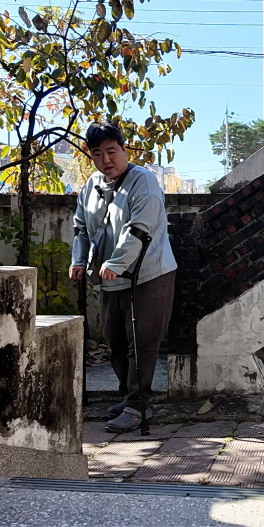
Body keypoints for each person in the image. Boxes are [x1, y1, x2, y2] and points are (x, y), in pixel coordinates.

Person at [70, 122, 177, 433]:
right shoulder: (91, 185)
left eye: (112, 151)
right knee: (115, 342)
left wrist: (117, 262)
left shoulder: (143, 181)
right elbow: (81, 227)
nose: (106, 160)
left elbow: (140, 229)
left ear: (124, 150)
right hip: (109, 277)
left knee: (141, 343)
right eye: (98, 154)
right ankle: (129, 395)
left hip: (148, 275)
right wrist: (79, 260)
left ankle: (139, 405)